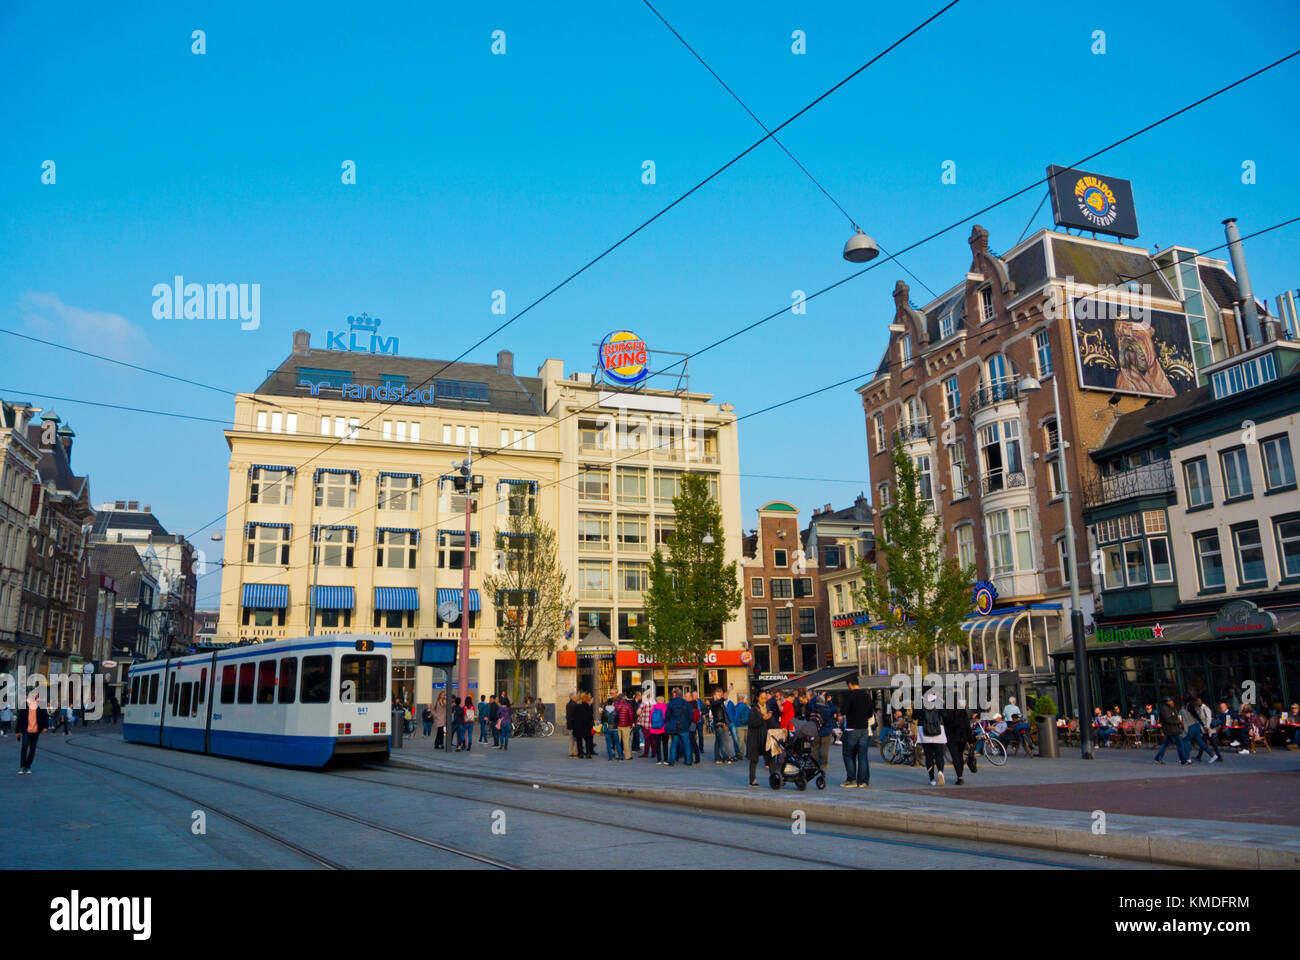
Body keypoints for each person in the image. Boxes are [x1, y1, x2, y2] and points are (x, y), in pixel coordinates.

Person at [839, 677, 872, 788]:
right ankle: (863, 781)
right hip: (864, 729)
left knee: (848, 754)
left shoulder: (849, 695)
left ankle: (851, 780)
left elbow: (843, 711)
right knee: (862, 756)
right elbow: (870, 714)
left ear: (850, 684)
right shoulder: (866, 696)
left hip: (852, 728)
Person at [917, 691, 947, 786]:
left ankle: (932, 779)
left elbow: (914, 715)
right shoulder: (938, 700)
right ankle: (940, 771)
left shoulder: (919, 701)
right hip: (938, 729)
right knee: (939, 754)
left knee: (928, 755)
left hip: (924, 730)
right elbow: (945, 715)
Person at [16, 689, 47, 774]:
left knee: (32, 749)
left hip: (36, 730)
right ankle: (22, 766)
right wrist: (17, 731)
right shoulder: (24, 705)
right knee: (24, 747)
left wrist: (45, 727)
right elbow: (20, 718)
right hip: (26, 730)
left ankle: (28, 766)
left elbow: (45, 716)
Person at [944, 699, 973, 784]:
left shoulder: (947, 711)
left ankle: (959, 777)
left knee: (955, 756)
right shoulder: (963, 711)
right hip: (962, 736)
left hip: (951, 737)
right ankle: (960, 775)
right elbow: (968, 725)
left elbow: (944, 723)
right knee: (960, 756)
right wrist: (971, 739)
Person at [1154, 695, 1189, 765]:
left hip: (1172, 729)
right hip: (1171, 729)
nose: (1172, 702)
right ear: (1167, 702)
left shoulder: (1170, 708)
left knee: (1166, 744)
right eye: (1171, 701)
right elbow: (1168, 719)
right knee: (1180, 744)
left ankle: (1158, 758)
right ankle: (1183, 760)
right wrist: (1178, 722)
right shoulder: (1165, 709)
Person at [747, 691, 772, 787]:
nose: (764, 700)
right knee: (754, 759)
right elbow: (752, 723)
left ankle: (775, 778)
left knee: (770, 758)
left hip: (765, 737)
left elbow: (771, 722)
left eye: (765, 698)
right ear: (757, 698)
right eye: (762, 698)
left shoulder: (768, 709)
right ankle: (752, 780)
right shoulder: (753, 709)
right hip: (755, 738)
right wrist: (763, 719)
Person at [1185, 696, 1218, 763]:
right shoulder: (1195, 706)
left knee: (1186, 741)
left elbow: (1196, 716)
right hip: (1197, 725)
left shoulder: (1189, 706)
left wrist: (1204, 725)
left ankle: (1187, 758)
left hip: (1192, 725)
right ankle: (1212, 755)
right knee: (1200, 742)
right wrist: (1203, 725)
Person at [665, 687, 692, 766]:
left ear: (674, 694)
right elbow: (690, 715)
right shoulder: (686, 703)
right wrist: (687, 724)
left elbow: (667, 715)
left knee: (673, 744)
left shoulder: (671, 703)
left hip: (674, 727)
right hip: (684, 727)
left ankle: (672, 761)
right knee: (686, 744)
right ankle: (688, 761)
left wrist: (670, 721)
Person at [709, 689, 734, 764]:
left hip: (721, 724)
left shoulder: (719, 704)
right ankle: (726, 758)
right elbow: (723, 698)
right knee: (722, 742)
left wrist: (726, 722)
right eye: (718, 695)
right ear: (714, 696)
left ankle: (717, 758)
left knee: (718, 742)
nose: (720, 696)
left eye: (720, 694)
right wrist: (729, 690)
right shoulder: (714, 703)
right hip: (719, 724)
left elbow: (724, 714)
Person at [572, 692, 595, 759]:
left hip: (578, 727)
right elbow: (591, 717)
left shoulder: (577, 707)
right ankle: (588, 753)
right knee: (587, 740)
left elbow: (574, 717)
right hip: (587, 727)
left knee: (579, 740)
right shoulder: (588, 707)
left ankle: (581, 753)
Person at [614, 692, 635, 760]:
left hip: (617, 725)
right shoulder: (628, 705)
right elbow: (631, 715)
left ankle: (617, 755)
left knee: (618, 740)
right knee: (625, 741)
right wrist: (631, 723)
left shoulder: (615, 705)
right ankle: (627, 756)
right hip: (626, 725)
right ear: (624, 698)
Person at [649, 695, 669, 764]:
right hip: (664, 729)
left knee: (657, 744)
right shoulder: (666, 707)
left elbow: (650, 718)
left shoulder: (653, 708)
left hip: (655, 729)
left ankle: (659, 760)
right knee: (665, 744)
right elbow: (667, 718)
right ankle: (666, 760)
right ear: (663, 700)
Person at [637, 691, 655, 758]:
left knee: (647, 739)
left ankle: (646, 753)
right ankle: (654, 753)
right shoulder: (654, 703)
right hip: (652, 723)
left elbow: (638, 712)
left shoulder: (643, 703)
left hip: (645, 723)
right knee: (653, 739)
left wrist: (641, 713)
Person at [732, 695, 750, 761]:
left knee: (740, 741)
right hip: (747, 725)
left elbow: (736, 716)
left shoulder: (737, 707)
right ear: (743, 699)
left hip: (739, 726)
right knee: (747, 741)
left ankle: (740, 754)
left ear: (738, 699)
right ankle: (749, 754)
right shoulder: (746, 707)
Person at [629, 690, 643, 754]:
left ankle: (636, 748)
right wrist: (632, 722)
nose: (641, 697)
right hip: (635, 721)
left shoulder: (638, 702)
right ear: (638, 696)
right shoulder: (633, 703)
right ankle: (635, 748)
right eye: (640, 695)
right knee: (636, 735)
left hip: (638, 720)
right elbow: (632, 713)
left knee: (637, 735)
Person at [565, 692, 579, 758]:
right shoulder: (575, 705)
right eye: (576, 697)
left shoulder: (568, 704)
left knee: (571, 739)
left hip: (569, 724)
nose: (576, 698)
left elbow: (568, 716)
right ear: (573, 698)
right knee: (575, 739)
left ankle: (570, 752)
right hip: (574, 724)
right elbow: (576, 716)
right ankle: (575, 752)